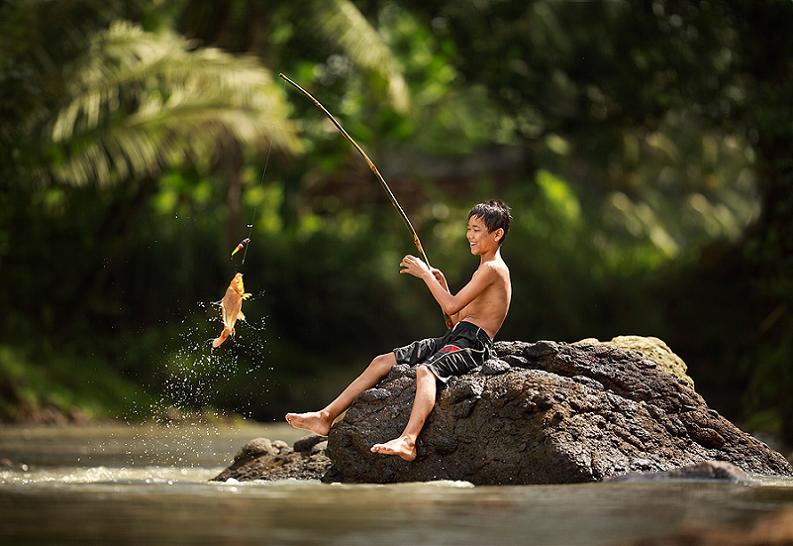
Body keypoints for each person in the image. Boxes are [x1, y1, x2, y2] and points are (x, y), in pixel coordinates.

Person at [285, 200, 512, 461]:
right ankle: (325, 416)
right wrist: (442, 284)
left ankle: (408, 440)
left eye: (476, 230)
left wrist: (426, 276)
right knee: (382, 361)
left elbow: (452, 307)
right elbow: (455, 317)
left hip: (473, 344)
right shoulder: (483, 269)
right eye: (468, 229)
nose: (469, 236)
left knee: (427, 371)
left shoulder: (493, 269)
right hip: (457, 335)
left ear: (497, 234)